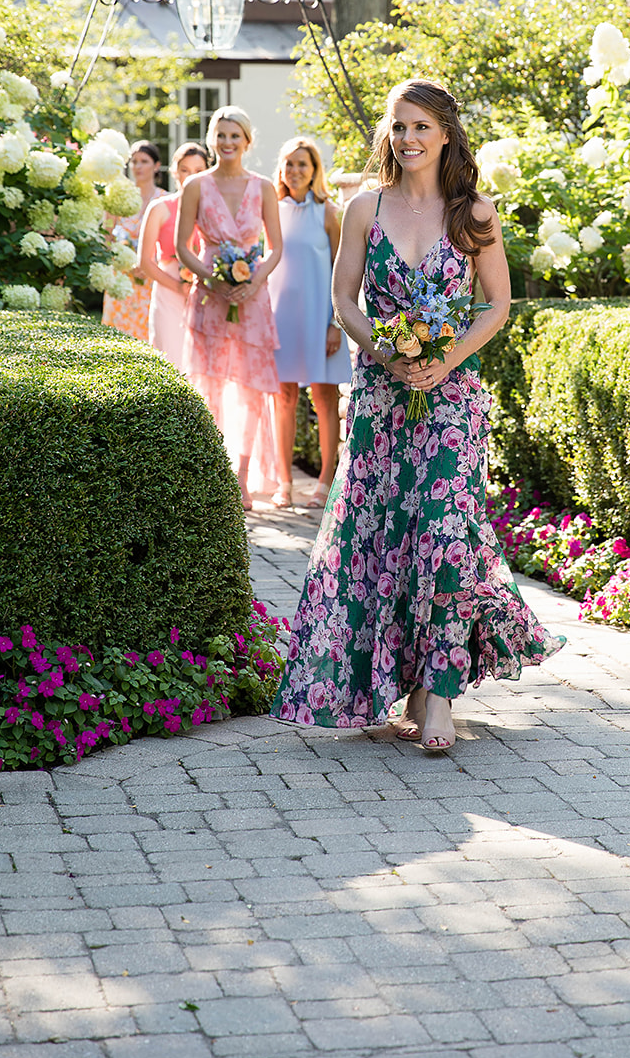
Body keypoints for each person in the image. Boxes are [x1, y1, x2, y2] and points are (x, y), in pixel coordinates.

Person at [271, 79, 564, 752]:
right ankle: (397, 688)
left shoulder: (473, 213)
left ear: (445, 135)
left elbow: (496, 304)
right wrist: (383, 349)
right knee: (382, 537)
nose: (407, 139)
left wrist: (445, 358)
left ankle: (439, 697)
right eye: (398, 127)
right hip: (379, 395)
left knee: (443, 532)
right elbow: (345, 299)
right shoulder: (362, 207)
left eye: (420, 128)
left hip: (451, 399)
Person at [177, 106, 282, 510]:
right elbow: (182, 246)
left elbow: (275, 247)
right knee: (210, 388)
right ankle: (212, 472)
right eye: (220, 136)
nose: (227, 143)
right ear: (211, 140)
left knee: (252, 391)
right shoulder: (196, 187)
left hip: (253, 301)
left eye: (234, 136)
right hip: (209, 298)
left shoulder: (263, 187)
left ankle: (241, 476)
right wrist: (212, 278)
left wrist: (254, 280)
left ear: (247, 141)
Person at [269, 138, 351, 512]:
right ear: (281, 168)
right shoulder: (271, 209)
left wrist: (336, 323)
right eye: (289, 164)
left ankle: (325, 482)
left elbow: (344, 272)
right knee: (283, 399)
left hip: (321, 318)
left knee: (324, 399)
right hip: (280, 318)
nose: (295, 171)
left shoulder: (329, 213)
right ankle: (283, 482)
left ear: (315, 169)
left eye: (303, 164)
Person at [137, 141, 210, 369]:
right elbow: (145, 261)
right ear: (175, 171)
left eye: (198, 171)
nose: (190, 177)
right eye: (185, 170)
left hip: (206, 293)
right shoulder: (159, 208)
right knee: (171, 360)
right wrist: (178, 287)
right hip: (168, 291)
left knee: (202, 364)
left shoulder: (213, 210)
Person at [101, 140, 168, 341]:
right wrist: (123, 261)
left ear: (156, 165)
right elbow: (106, 236)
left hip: (151, 277)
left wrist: (148, 264)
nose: (138, 166)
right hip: (121, 276)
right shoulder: (119, 195)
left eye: (144, 161)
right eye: (134, 162)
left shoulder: (165, 199)